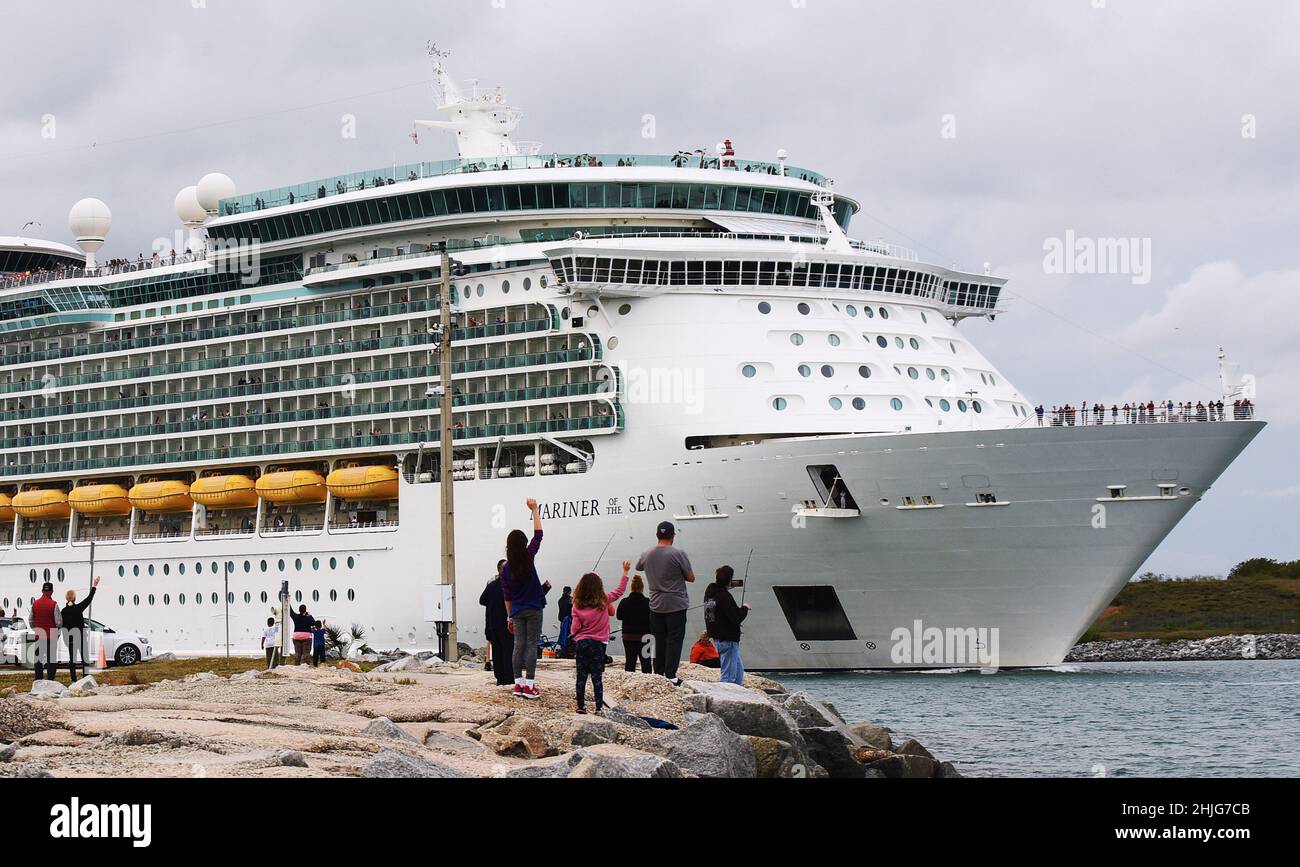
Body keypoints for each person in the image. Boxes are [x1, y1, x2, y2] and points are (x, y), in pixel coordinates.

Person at [636, 520, 696, 686]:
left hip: (656, 604)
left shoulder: (647, 553)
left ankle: (659, 672)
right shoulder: (678, 553)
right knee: (674, 640)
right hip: (676, 604)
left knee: (659, 639)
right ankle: (671, 675)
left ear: (657, 535)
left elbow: (639, 567)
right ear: (673, 536)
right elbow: (691, 577)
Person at [502, 498, 551, 699]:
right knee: (532, 645)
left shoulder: (505, 569)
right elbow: (538, 535)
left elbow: (507, 596)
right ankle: (530, 685)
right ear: (523, 544)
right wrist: (535, 510)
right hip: (534, 608)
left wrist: (509, 617)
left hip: (517, 610)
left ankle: (518, 684)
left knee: (518, 645)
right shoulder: (528, 557)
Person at [570, 561, 630, 714]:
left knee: (581, 676)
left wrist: (576, 633)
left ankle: (581, 706)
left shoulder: (576, 605)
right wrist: (625, 572)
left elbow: (575, 627)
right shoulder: (603, 600)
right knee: (597, 676)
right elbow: (619, 591)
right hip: (599, 644)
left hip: (582, 643)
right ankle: (598, 707)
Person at [704, 565, 750, 685]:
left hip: (718, 638)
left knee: (738, 669)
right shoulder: (724, 596)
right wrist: (744, 608)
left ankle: (738, 690)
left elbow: (710, 616)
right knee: (728, 676)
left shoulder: (710, 593)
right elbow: (736, 617)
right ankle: (726, 696)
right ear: (729, 580)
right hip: (728, 639)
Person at [479, 560, 514, 686]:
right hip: (507, 624)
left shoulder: (492, 585)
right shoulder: (511, 585)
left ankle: (500, 679)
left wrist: (492, 602)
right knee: (508, 651)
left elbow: (482, 600)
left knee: (498, 652)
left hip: (493, 624)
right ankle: (509, 678)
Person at [61, 575, 101, 682]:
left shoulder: (63, 611)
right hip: (81, 637)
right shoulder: (78, 608)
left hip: (70, 638)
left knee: (72, 660)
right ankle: (86, 677)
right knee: (85, 659)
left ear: (66, 598)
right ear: (74, 598)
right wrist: (94, 586)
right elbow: (89, 599)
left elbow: (62, 627)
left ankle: (73, 679)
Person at [615, 574, 652, 673]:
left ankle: (630, 680)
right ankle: (647, 682)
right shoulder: (648, 602)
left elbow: (619, 616)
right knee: (646, 661)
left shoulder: (624, 602)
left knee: (630, 661)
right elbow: (654, 618)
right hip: (646, 637)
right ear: (642, 587)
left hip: (628, 636)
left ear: (631, 588)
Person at [556, 586, 573, 656]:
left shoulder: (560, 600)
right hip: (570, 621)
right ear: (570, 592)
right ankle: (569, 651)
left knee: (563, 636)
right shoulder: (571, 600)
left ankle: (563, 650)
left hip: (562, 621)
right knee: (569, 636)